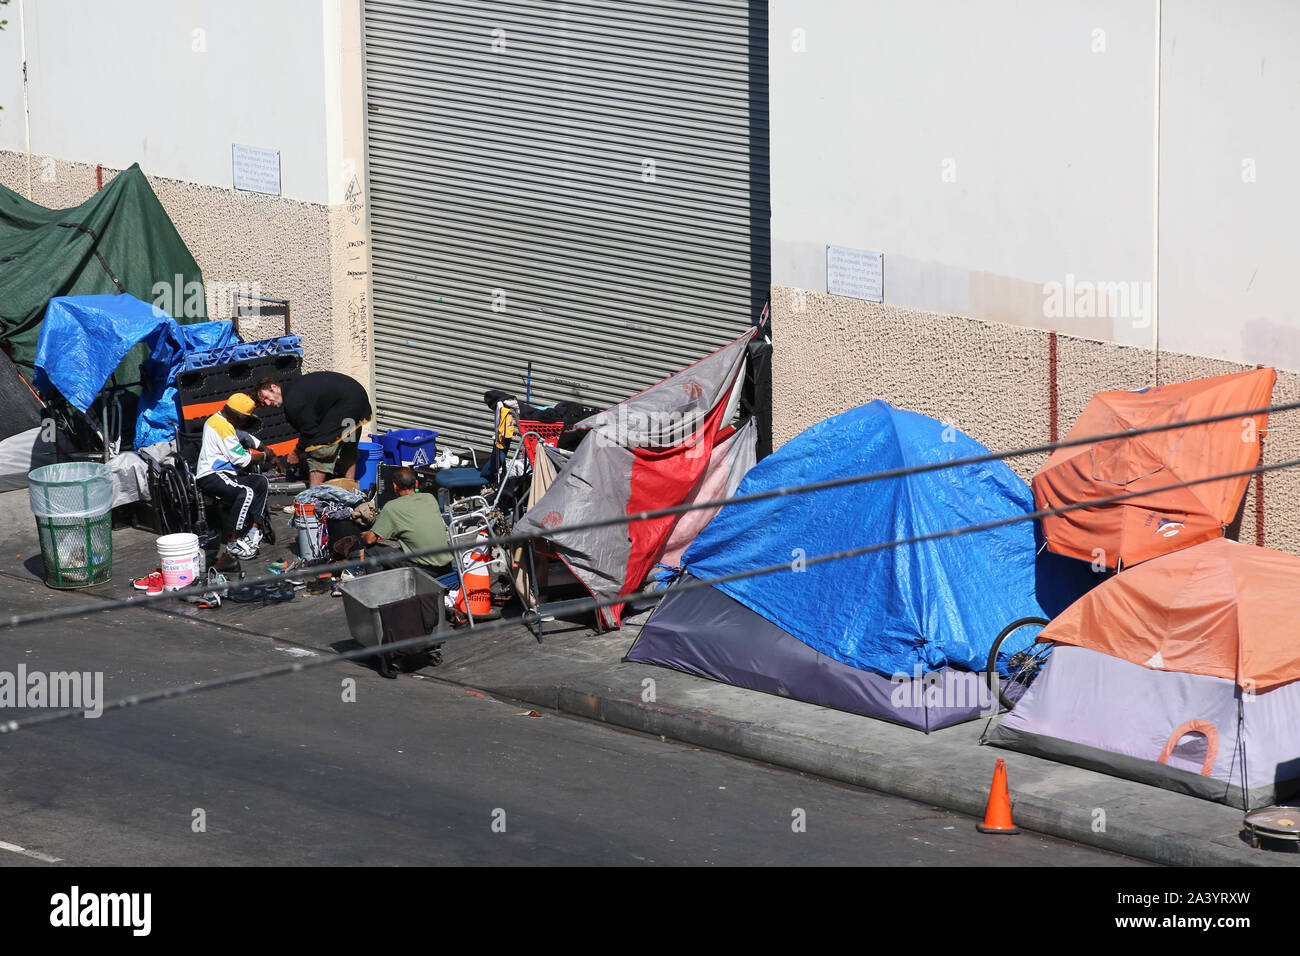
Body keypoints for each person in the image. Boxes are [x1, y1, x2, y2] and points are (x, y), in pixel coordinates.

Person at [195, 393, 277, 570]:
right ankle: (232, 541)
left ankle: (253, 531)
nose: (243, 424)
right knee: (245, 492)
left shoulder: (224, 421)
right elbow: (243, 460)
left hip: (227, 474)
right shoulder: (221, 426)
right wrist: (265, 455)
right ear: (237, 417)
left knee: (260, 482)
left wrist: (264, 447)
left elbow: (244, 436)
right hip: (211, 475)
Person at [254, 371, 372, 487]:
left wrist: (296, 453)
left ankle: (313, 498)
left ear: (274, 387)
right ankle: (349, 489)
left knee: (319, 450)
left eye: (266, 397)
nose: (268, 403)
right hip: (357, 400)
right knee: (348, 445)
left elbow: (309, 432)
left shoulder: (293, 400)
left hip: (347, 404)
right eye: (264, 402)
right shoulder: (294, 388)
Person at [347, 467, 451, 574]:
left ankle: (378, 587)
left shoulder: (392, 507)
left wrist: (362, 536)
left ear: (395, 486)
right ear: (416, 483)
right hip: (446, 565)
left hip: (425, 569)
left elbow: (370, 540)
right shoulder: (430, 498)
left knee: (373, 551)